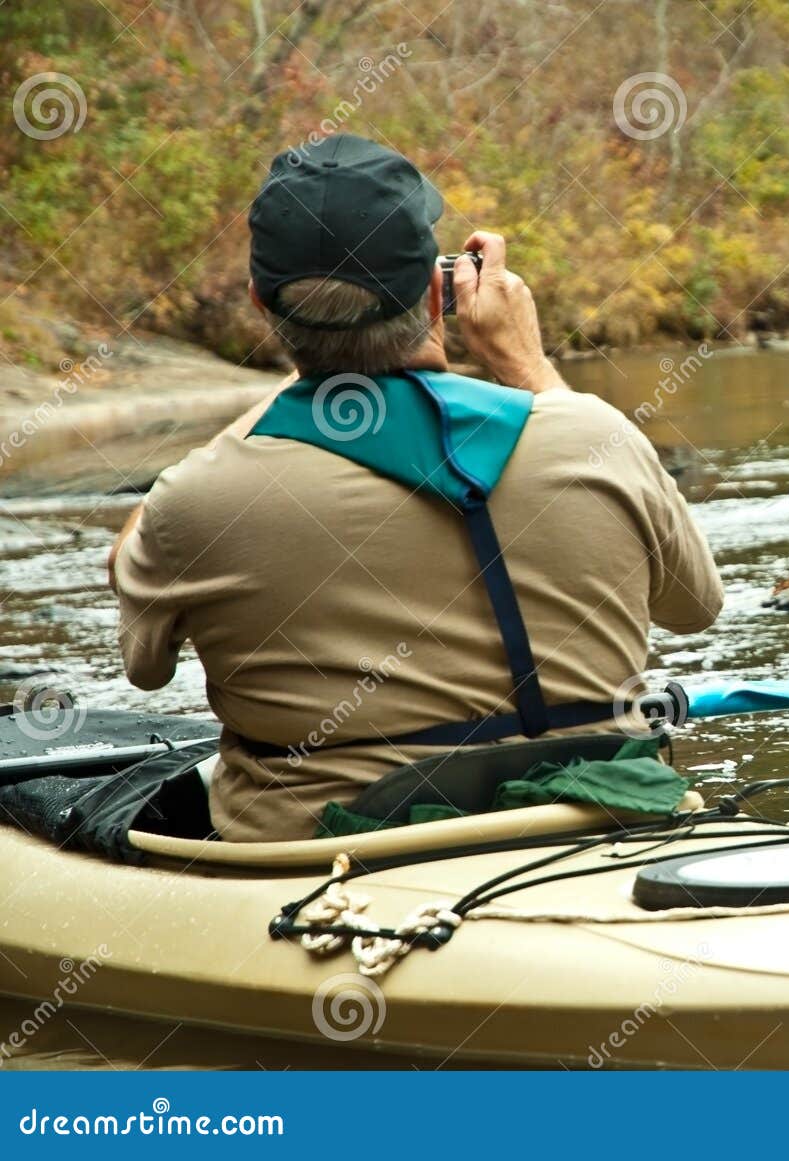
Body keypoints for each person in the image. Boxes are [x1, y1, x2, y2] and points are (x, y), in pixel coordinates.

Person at [106, 135, 722, 842]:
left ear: (260, 306)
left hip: (323, 862)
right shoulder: (590, 433)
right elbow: (693, 603)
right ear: (437, 293)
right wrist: (530, 363)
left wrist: (313, 370)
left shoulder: (199, 499)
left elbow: (144, 669)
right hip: (598, 817)